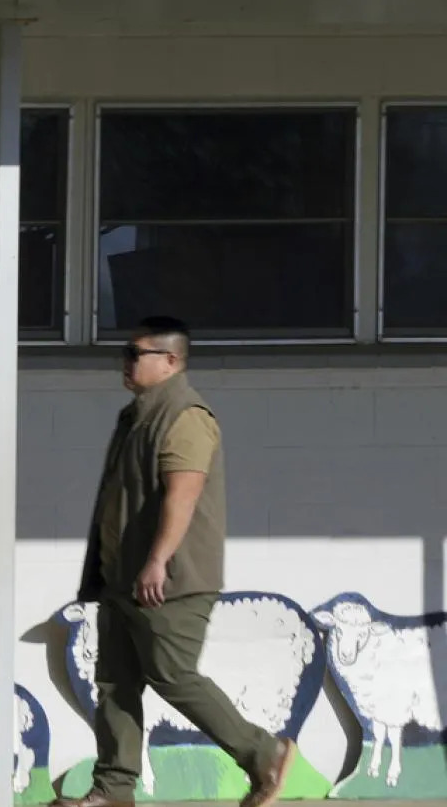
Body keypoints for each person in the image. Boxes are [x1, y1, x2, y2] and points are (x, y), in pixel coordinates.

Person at [52, 316, 295, 807]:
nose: (124, 362)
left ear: (170, 360)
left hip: (169, 580)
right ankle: (113, 789)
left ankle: (264, 753)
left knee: (172, 673)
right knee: (116, 683)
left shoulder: (185, 414)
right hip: (123, 578)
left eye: (133, 353)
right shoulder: (135, 415)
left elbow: (184, 493)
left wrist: (157, 561)